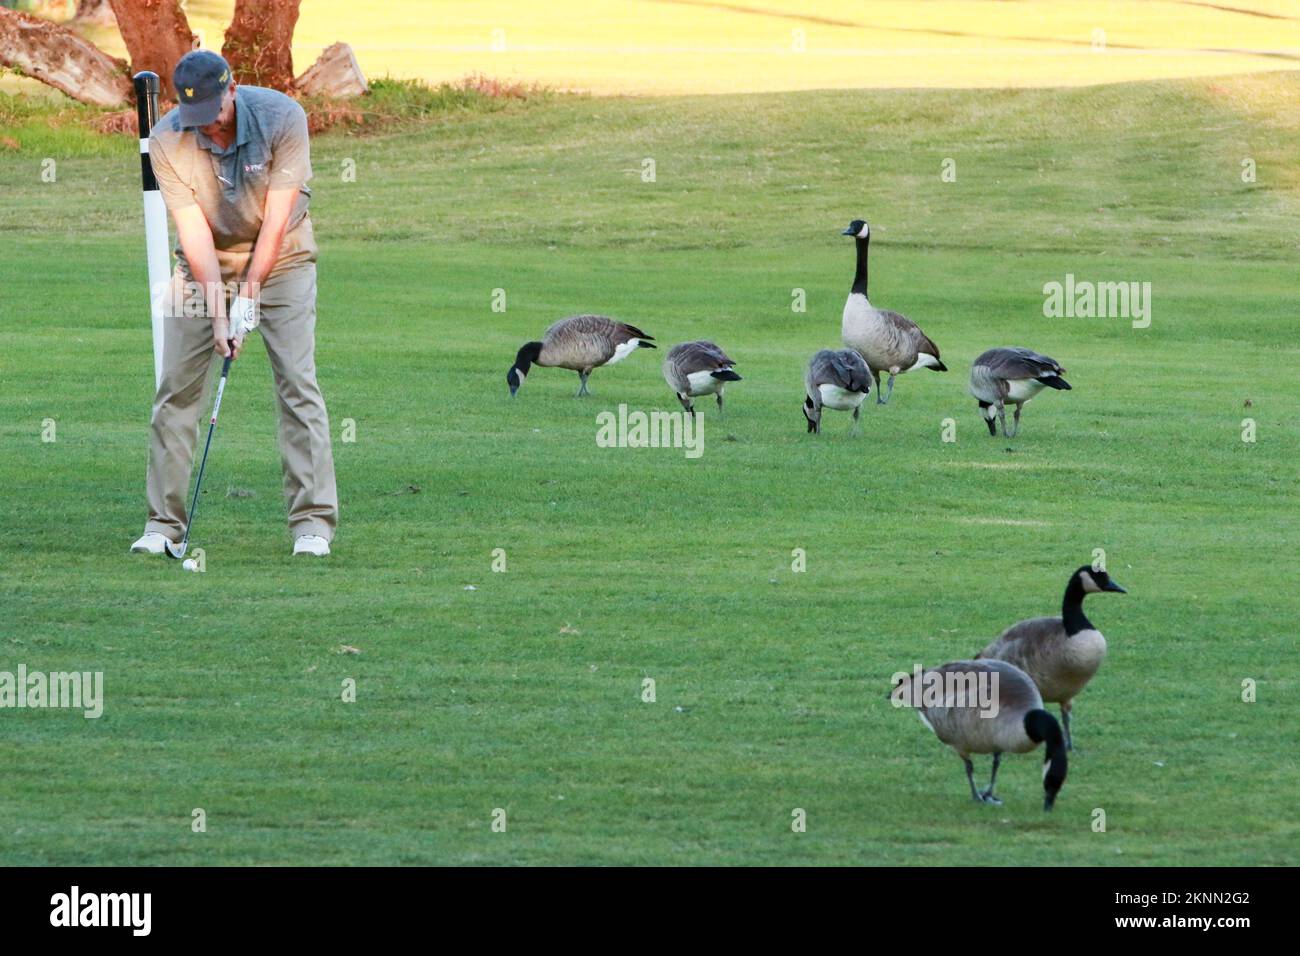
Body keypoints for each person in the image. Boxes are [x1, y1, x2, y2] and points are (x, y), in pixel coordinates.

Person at [129, 50, 338, 558]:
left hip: (282, 255)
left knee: (296, 382)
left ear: (233, 89)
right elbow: (194, 233)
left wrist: (247, 297)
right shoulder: (168, 139)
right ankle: (163, 525)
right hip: (205, 264)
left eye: (217, 115)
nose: (212, 129)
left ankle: (312, 524)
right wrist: (220, 313)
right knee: (175, 389)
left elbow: (275, 219)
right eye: (199, 119)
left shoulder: (283, 117)